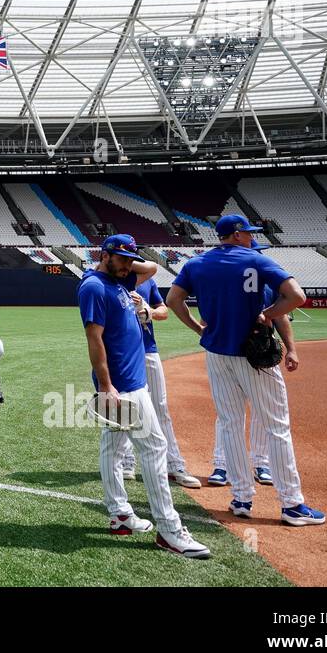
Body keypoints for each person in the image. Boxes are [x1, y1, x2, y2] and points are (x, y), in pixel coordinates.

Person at [166, 215, 325, 527]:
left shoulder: (196, 264)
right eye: (248, 233)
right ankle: (291, 504)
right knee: (276, 427)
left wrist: (198, 328)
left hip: (216, 353)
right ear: (237, 235)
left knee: (230, 423)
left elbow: (173, 300)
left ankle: (241, 498)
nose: (251, 238)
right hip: (253, 355)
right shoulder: (255, 259)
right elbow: (297, 296)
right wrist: (268, 314)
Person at [80, 235, 210, 558]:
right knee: (154, 448)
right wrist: (106, 386)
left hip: (131, 382)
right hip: (124, 386)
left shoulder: (120, 279)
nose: (128, 265)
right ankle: (169, 530)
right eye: (121, 259)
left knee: (112, 446)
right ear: (104, 255)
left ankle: (120, 514)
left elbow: (150, 267)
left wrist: (127, 262)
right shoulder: (95, 287)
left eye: (130, 259)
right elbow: (94, 340)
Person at [114, 272, 203, 489]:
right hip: (122, 353)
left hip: (148, 350)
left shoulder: (147, 281)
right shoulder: (107, 282)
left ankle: (174, 465)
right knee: (124, 407)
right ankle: (126, 462)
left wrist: (149, 311)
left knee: (160, 407)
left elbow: (163, 310)